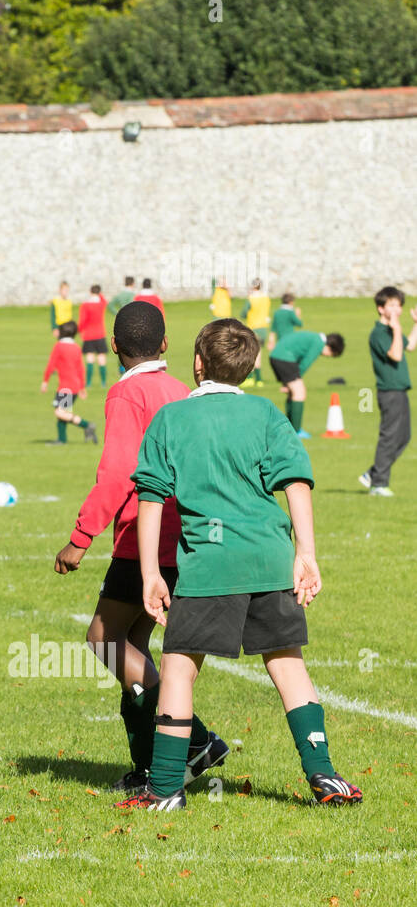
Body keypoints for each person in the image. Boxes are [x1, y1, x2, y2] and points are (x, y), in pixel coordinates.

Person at [119, 318, 362, 810]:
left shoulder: (170, 418)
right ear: (250, 369)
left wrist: (149, 574)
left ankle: (164, 790)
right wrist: (306, 553)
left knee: (179, 669)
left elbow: (150, 498)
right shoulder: (266, 413)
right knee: (288, 664)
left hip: (210, 566)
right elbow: (296, 482)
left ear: (197, 362)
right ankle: (325, 777)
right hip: (269, 557)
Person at [54, 302, 225, 792]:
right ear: (167, 345)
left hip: (141, 539)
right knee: (135, 650)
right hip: (186, 539)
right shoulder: (184, 391)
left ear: (113, 347)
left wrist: (79, 538)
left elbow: (115, 474)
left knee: (104, 640)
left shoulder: (128, 394)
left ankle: (195, 737)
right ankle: (148, 766)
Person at [360, 287, 417, 497]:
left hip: (400, 389)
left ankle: (373, 474)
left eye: (398, 305)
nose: (396, 309)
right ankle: (378, 484)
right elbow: (395, 354)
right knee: (389, 437)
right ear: (381, 308)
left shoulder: (392, 330)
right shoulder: (379, 333)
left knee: (404, 437)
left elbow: (409, 346)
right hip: (389, 391)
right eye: (391, 305)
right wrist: (396, 328)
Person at [268, 329, 345, 438]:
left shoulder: (315, 337)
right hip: (284, 358)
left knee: (293, 393)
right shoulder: (318, 343)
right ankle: (296, 431)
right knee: (300, 392)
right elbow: (305, 364)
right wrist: (296, 378)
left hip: (277, 356)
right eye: (331, 354)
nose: (328, 357)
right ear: (330, 347)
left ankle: (287, 428)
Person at [41, 321, 97, 444]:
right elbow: (80, 369)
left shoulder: (59, 346)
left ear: (60, 333)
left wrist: (45, 381)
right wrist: (82, 387)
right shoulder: (76, 347)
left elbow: (51, 365)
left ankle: (87, 425)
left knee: (59, 412)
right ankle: (62, 439)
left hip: (66, 387)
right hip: (75, 386)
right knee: (63, 411)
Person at [240, 277, 272, 387]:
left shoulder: (251, 298)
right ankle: (259, 380)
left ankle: (250, 378)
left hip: (253, 327)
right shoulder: (266, 298)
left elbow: (243, 313)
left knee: (250, 354)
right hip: (263, 328)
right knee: (258, 354)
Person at [77, 283, 108, 388]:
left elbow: (82, 321)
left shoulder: (85, 305)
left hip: (89, 335)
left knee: (90, 359)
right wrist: (100, 294)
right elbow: (104, 300)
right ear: (99, 293)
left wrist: (80, 330)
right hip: (100, 334)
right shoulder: (101, 304)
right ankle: (103, 382)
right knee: (101, 359)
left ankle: (89, 383)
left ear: (90, 292)